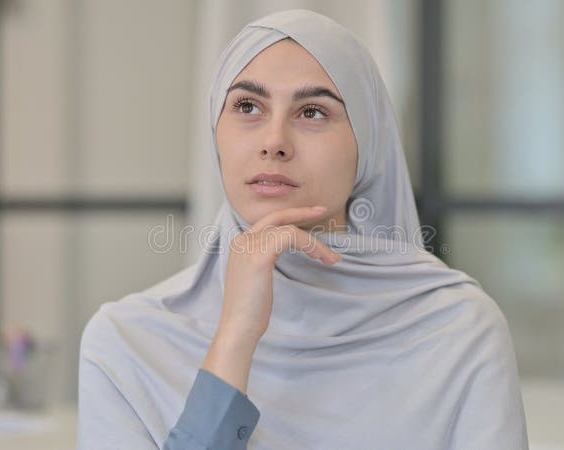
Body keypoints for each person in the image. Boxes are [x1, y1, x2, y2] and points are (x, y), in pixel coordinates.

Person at [77, 9, 528, 450]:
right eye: (248, 106)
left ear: (367, 142)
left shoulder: (459, 331)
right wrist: (236, 334)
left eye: (312, 112)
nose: (274, 141)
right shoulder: (126, 344)